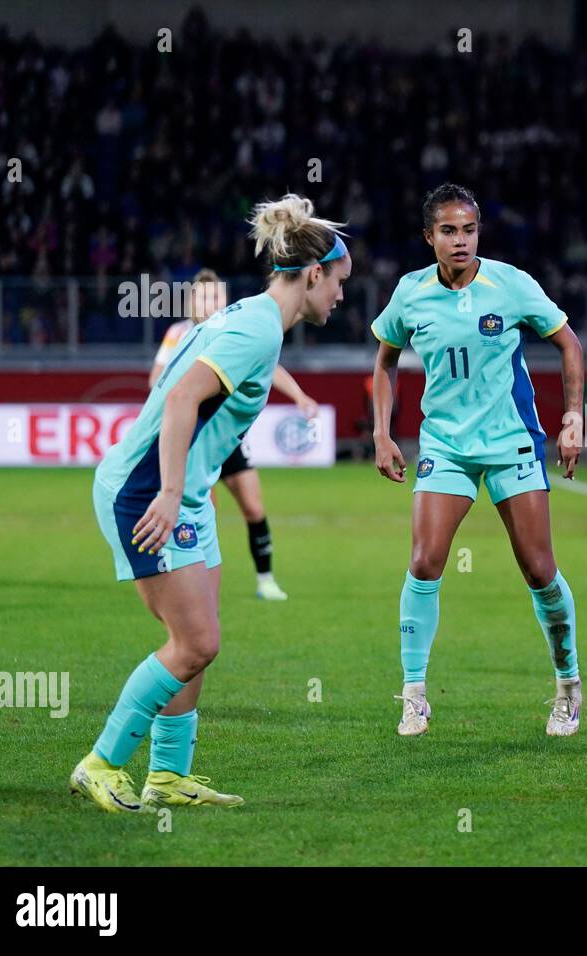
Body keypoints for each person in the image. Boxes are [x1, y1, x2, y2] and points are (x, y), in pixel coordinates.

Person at [72, 195, 349, 812]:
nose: (340, 295)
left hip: (184, 492)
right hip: (147, 488)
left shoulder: (253, 319)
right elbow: (179, 403)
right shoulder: (254, 328)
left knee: (200, 638)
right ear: (312, 275)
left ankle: (168, 776)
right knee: (195, 643)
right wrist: (171, 493)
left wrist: (188, 492)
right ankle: (101, 762)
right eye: (338, 282)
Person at [371, 183, 586, 738]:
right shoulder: (410, 292)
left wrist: (574, 418)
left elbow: (570, 345)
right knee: (423, 562)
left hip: (511, 442)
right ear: (429, 237)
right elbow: (385, 362)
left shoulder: (511, 284)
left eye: (468, 229)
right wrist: (381, 431)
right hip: (444, 445)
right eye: (448, 230)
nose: (460, 240)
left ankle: (568, 685)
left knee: (539, 570)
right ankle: (414, 694)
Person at [150, 268, 321, 601]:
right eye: (205, 297)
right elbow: (156, 377)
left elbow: (269, 364)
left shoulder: (233, 326)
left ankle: (266, 579)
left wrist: (299, 395)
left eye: (217, 296)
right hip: (194, 437)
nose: (212, 302)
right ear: (192, 302)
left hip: (227, 439)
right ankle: (192, 587)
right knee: (202, 511)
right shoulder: (180, 334)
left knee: (254, 507)